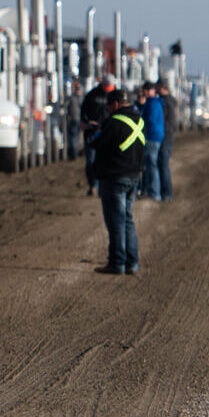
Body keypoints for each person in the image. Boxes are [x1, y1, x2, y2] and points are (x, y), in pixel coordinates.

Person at [85, 86, 149, 274]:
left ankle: (117, 263)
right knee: (127, 219)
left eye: (109, 107)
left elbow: (97, 144)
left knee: (115, 221)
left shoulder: (113, 123)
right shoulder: (139, 121)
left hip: (114, 178)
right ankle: (132, 263)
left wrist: (92, 131)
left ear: (115, 104)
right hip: (134, 176)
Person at [78, 73, 119, 196]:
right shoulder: (92, 95)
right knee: (91, 161)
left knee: (105, 161)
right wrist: (84, 123)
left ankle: (103, 186)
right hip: (91, 133)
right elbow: (83, 111)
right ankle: (93, 185)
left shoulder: (116, 96)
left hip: (107, 133)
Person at [138, 79, 168, 201]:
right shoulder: (154, 102)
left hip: (152, 137)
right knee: (150, 165)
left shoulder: (153, 104)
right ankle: (152, 191)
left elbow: (148, 121)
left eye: (146, 90)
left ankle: (154, 193)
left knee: (151, 165)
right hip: (155, 136)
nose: (144, 93)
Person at [153, 81, 178, 201]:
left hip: (165, 136)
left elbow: (170, 121)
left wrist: (163, 132)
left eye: (157, 87)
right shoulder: (166, 100)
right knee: (161, 164)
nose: (155, 89)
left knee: (163, 164)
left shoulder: (167, 102)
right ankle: (164, 192)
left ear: (162, 87)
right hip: (165, 135)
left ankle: (167, 194)